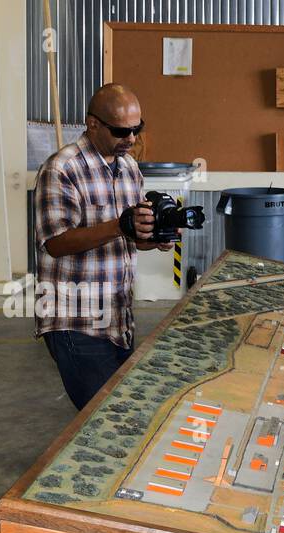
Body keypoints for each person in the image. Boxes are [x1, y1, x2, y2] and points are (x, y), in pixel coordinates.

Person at [34, 83, 175, 410]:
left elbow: (130, 238)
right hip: (77, 318)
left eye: (137, 129)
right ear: (93, 124)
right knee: (107, 416)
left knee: (118, 413)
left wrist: (154, 237)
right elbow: (54, 243)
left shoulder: (128, 168)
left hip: (118, 317)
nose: (131, 139)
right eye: (121, 131)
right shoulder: (61, 169)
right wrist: (119, 225)